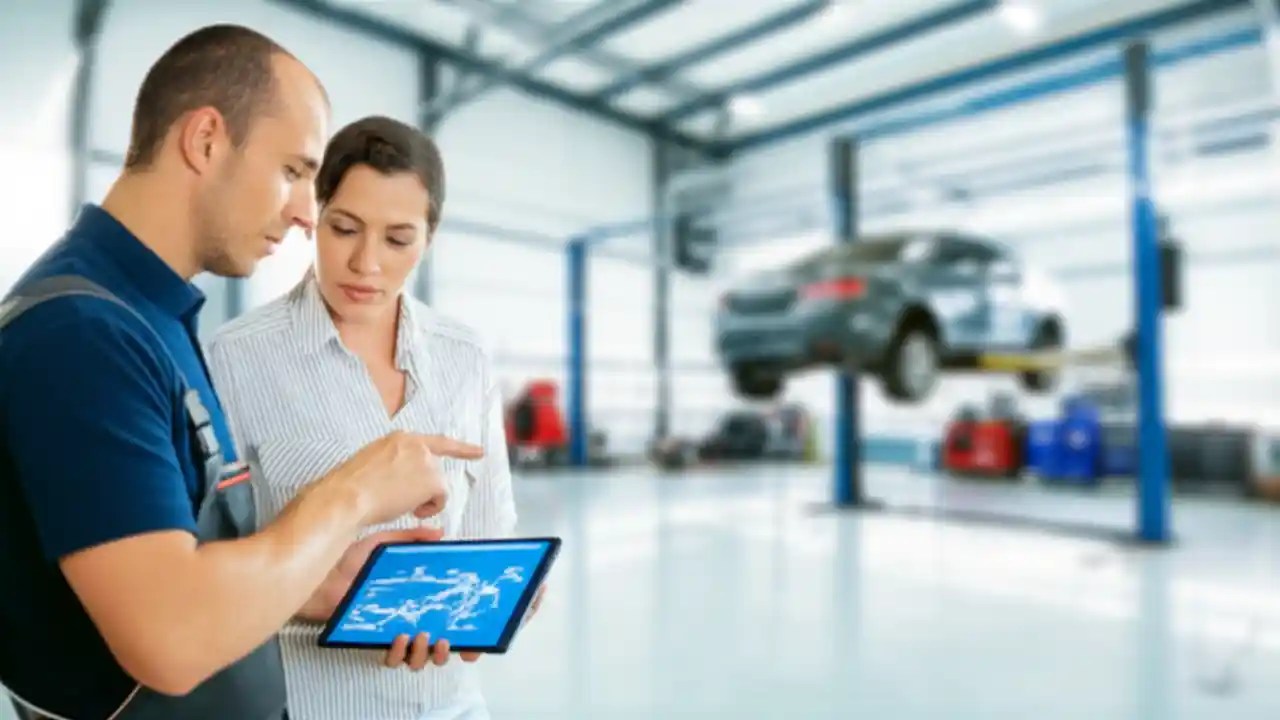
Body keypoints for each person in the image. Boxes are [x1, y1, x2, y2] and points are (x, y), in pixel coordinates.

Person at [0, 25, 476, 720]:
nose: (304, 213)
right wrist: (353, 490)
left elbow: (181, 560)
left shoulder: (152, 316)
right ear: (204, 140)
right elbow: (171, 637)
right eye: (292, 170)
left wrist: (320, 583)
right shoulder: (83, 334)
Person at [206, 115, 530, 720]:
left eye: (397, 239)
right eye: (345, 228)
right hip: (307, 705)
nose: (365, 262)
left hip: (448, 707)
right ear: (316, 215)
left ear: (429, 239)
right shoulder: (236, 358)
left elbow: (492, 538)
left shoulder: (464, 358)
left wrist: (495, 604)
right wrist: (317, 594)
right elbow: (206, 579)